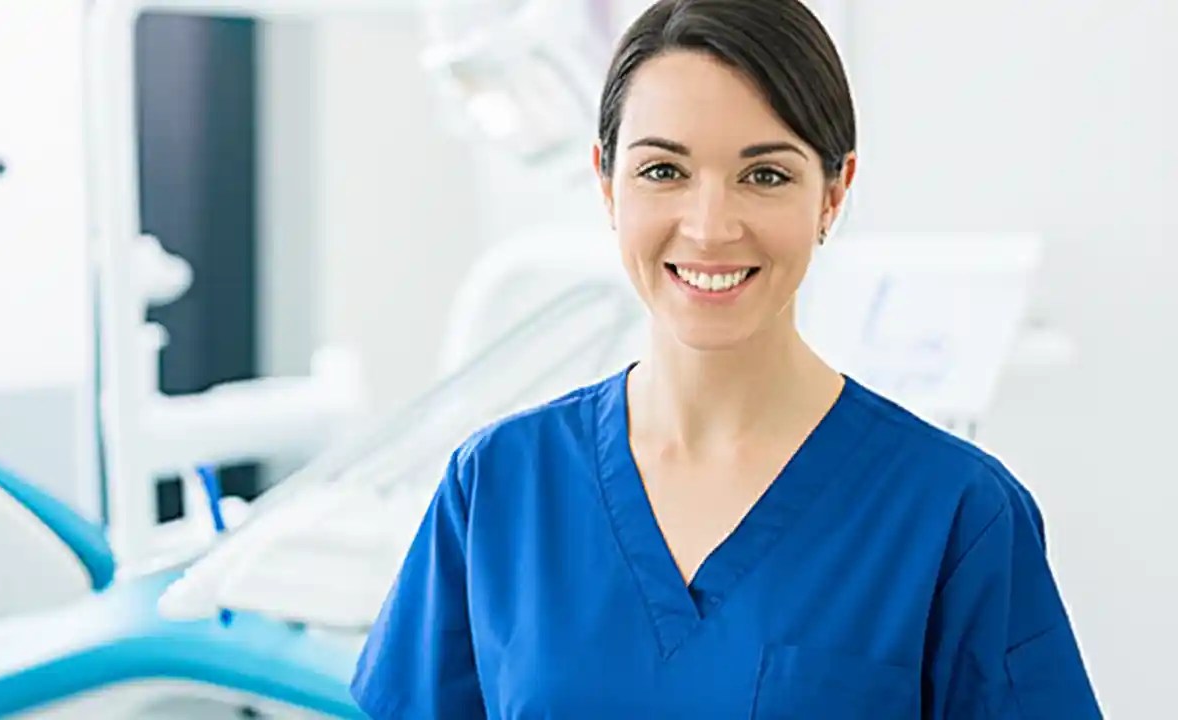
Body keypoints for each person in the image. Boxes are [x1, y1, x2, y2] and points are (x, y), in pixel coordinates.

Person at [350, 0, 1101, 716]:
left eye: (764, 175)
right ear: (607, 184)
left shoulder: (952, 515)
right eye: (663, 172)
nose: (709, 228)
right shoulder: (501, 488)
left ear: (834, 194)